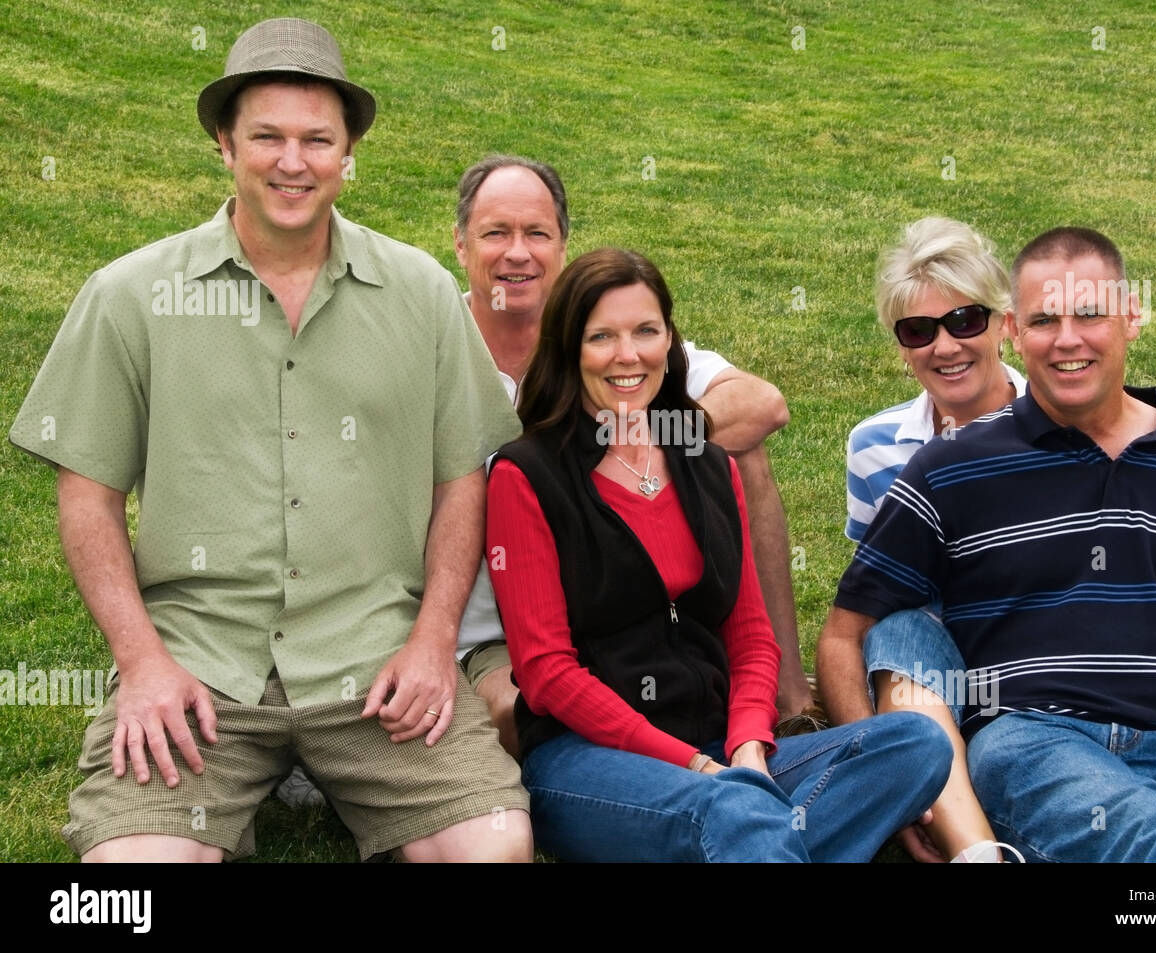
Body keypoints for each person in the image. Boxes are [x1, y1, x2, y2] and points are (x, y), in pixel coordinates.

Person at [8, 18, 530, 862]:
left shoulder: (424, 294)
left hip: (376, 659)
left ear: (349, 153)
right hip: (199, 663)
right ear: (224, 144)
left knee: (494, 845)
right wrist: (140, 662)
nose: (294, 162)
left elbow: (459, 478)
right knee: (129, 876)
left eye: (319, 139)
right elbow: (89, 496)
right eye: (268, 137)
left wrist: (434, 642)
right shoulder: (130, 295)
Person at [819, 224, 1156, 861]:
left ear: (1132, 317)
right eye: (1046, 319)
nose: (1067, 339)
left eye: (1089, 314)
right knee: (1151, 839)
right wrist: (887, 780)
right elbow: (848, 633)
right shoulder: (949, 466)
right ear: (1016, 331)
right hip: (1033, 738)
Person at [484, 247, 954, 861]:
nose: (629, 355)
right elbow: (547, 676)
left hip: (722, 743)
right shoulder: (526, 475)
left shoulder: (706, 462)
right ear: (571, 350)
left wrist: (749, 746)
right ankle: (747, 828)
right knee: (731, 807)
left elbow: (751, 634)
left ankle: (743, 837)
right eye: (603, 336)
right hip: (588, 759)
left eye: (647, 331)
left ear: (670, 342)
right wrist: (700, 767)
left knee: (916, 744)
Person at [451, 155, 817, 760]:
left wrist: (636, 431)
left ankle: (788, 697)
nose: (518, 253)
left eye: (537, 233)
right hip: (492, 625)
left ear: (563, 245)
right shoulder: (436, 343)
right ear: (461, 244)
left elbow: (764, 405)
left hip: (615, 601)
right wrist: (556, 458)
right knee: (523, 716)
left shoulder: (608, 332)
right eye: (496, 233)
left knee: (733, 454)